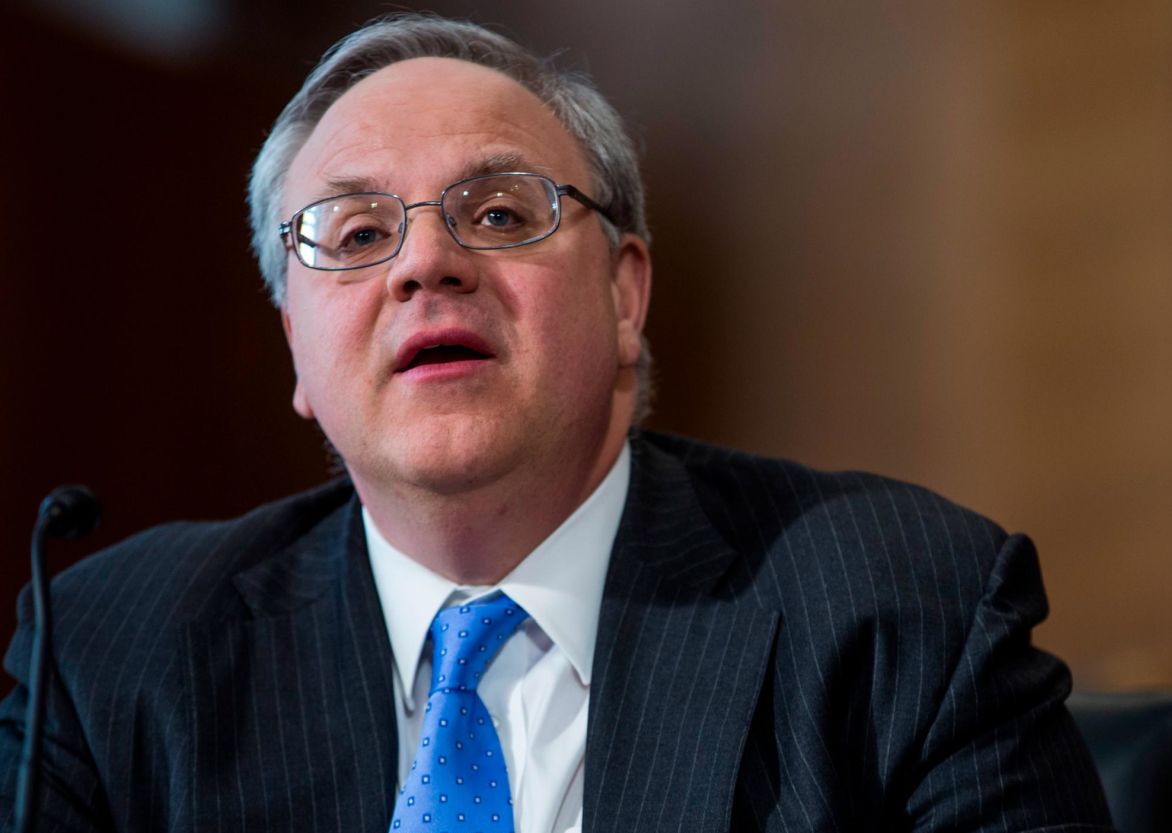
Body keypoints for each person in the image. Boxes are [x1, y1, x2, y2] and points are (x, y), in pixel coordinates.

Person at [0, 14, 1114, 833]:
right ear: (295, 342)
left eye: (498, 212)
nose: (427, 263)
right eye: (352, 235)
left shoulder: (901, 611)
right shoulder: (114, 657)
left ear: (625, 294)